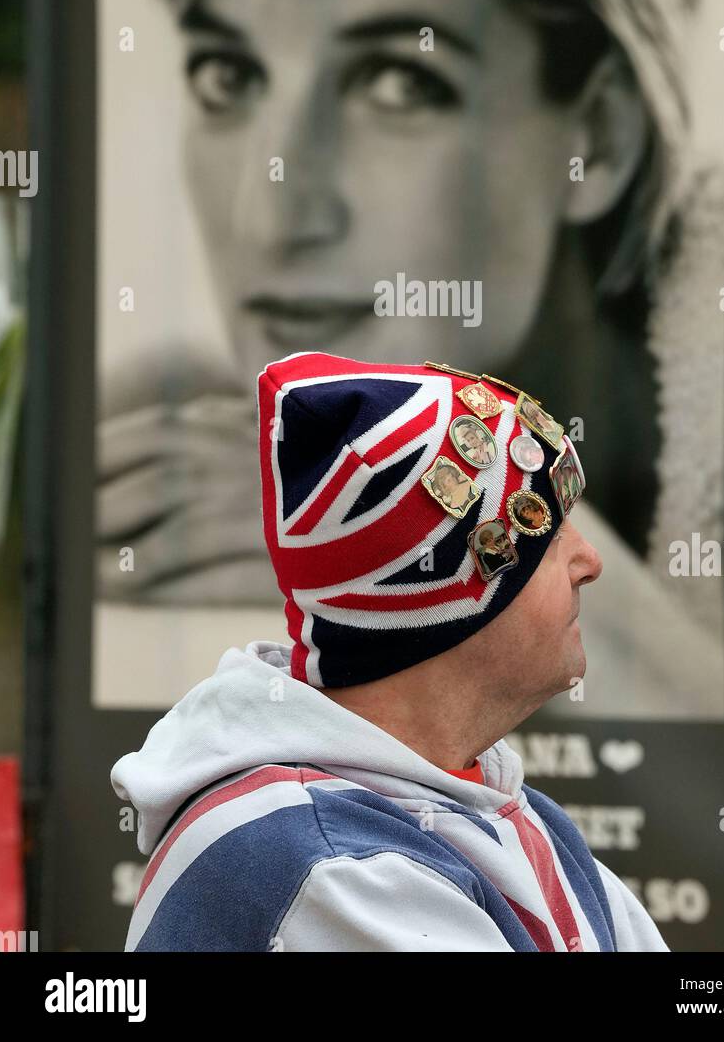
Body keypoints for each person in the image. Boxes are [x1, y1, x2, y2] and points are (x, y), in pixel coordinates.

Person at [96, 0, 724, 720]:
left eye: (398, 81)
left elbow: (722, 738)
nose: (272, 213)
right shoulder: (156, 454)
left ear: (601, 135)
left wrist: (420, 529)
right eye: (228, 73)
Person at [112, 354, 669, 951]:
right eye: (547, 532)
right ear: (440, 599)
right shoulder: (328, 866)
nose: (590, 562)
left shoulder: (511, 813)